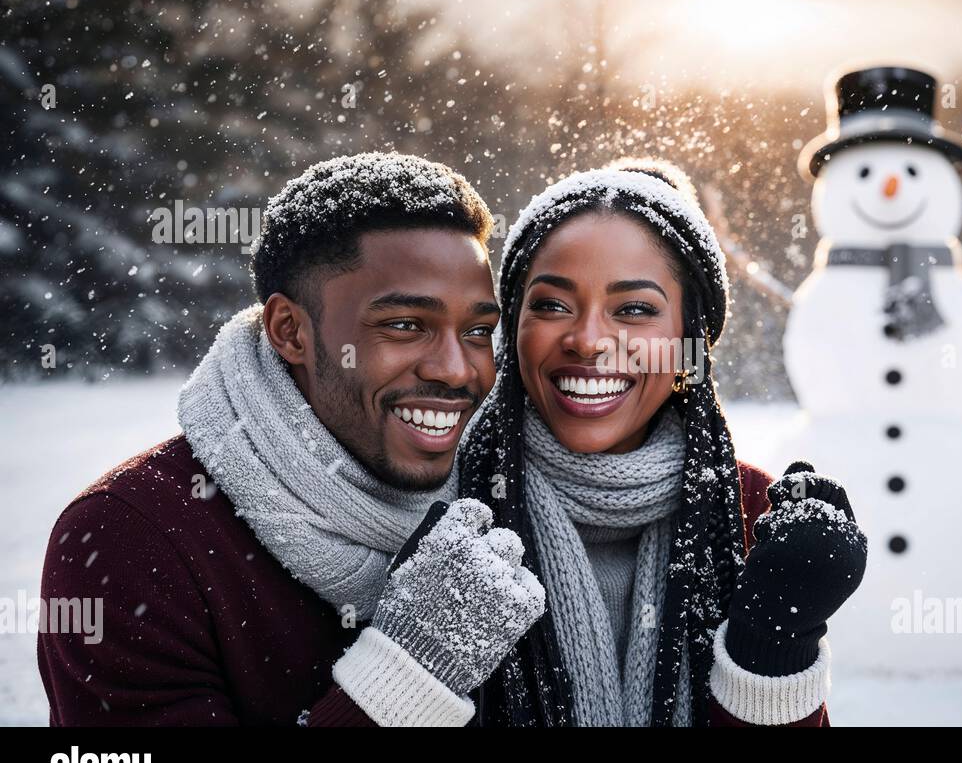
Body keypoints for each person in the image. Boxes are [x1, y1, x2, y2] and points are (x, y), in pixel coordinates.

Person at [363, 159, 869, 726]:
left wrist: (774, 650)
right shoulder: (440, 506)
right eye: (552, 305)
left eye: (634, 309)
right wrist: (408, 674)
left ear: (689, 339)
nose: (588, 340)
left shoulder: (749, 516)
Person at [37, 152, 530, 725]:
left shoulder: (497, 496)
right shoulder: (132, 537)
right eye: (403, 325)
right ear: (290, 331)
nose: (456, 370)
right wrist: (403, 683)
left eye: (477, 331)